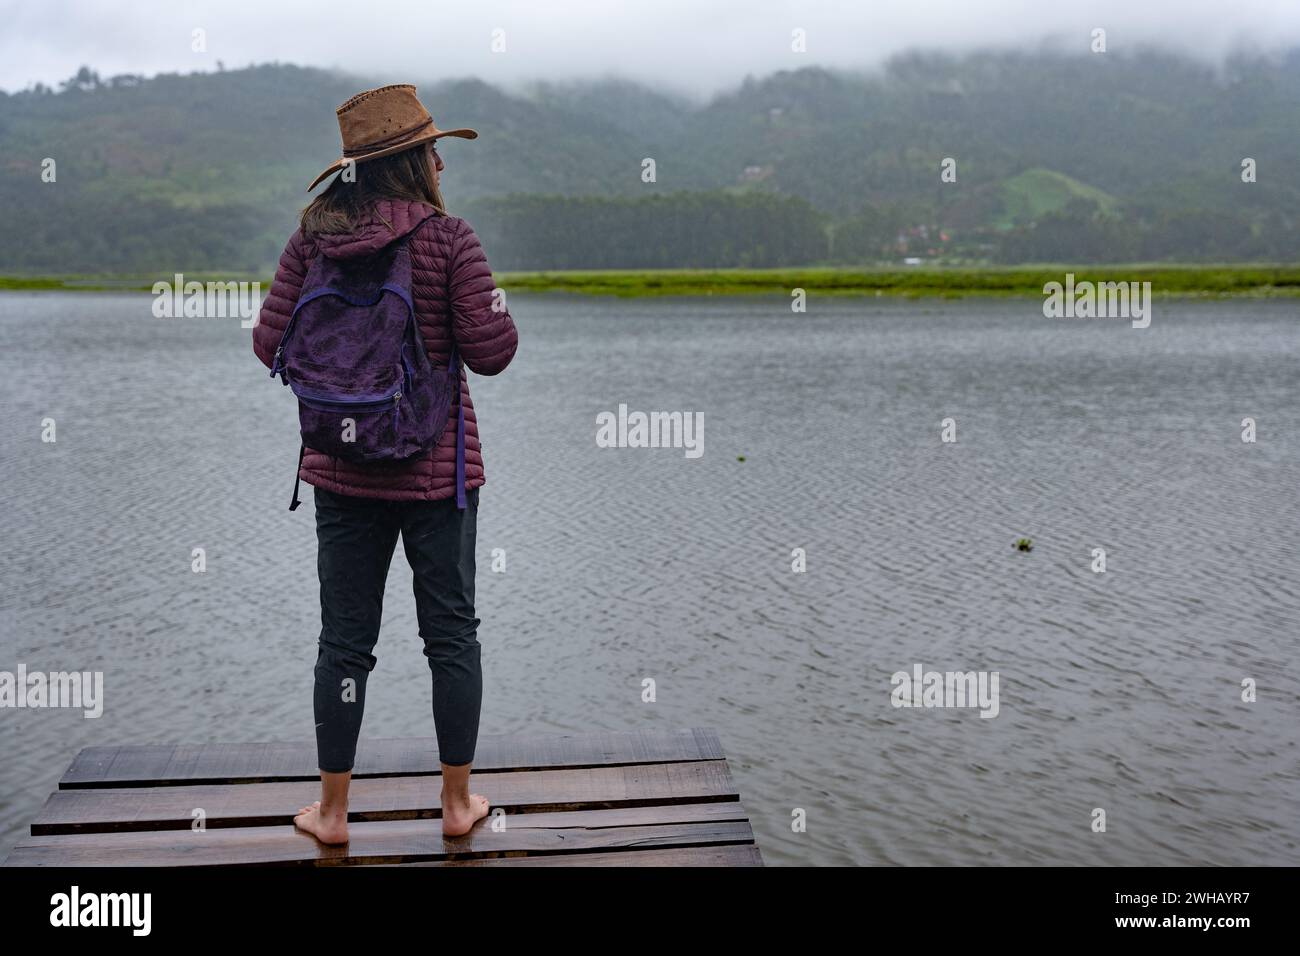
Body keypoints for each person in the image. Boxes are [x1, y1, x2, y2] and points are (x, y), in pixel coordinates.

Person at [252, 84, 518, 844]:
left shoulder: (312, 239)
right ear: (410, 162)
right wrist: (489, 304)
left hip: (340, 469)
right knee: (451, 636)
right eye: (433, 149)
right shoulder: (451, 239)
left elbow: (269, 346)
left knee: (344, 643)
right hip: (438, 474)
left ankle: (332, 814)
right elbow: (494, 354)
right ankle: (457, 805)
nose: (441, 160)